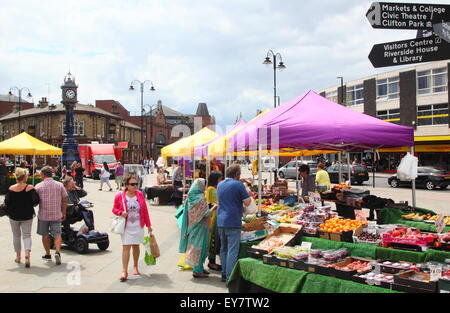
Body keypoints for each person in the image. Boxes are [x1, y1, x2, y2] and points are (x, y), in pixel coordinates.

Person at [112, 175, 152, 282]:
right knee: (126, 247)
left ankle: (135, 266)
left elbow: (145, 211)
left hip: (138, 225)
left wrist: (149, 225)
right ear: (127, 185)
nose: (135, 186)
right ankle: (124, 270)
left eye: (136, 184)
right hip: (126, 226)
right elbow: (114, 209)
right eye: (132, 184)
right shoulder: (120, 196)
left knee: (136, 246)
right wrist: (121, 212)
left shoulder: (140, 195)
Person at [217, 165, 252, 283]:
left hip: (221, 220)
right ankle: (229, 277)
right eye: (240, 173)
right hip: (233, 220)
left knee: (224, 249)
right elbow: (247, 203)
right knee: (232, 250)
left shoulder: (220, 184)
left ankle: (223, 273)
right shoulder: (238, 184)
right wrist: (249, 195)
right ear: (237, 173)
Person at [4, 168, 40, 268]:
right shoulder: (30, 187)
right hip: (27, 215)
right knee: (27, 235)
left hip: (14, 215)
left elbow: (6, 202)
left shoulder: (11, 188)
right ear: (25, 176)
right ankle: (27, 254)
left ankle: (18, 256)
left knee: (16, 236)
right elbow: (36, 201)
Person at [178, 178, 213, 278]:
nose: (205, 187)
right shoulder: (200, 198)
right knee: (200, 247)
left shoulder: (191, 197)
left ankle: (199, 268)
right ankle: (197, 271)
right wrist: (214, 208)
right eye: (204, 185)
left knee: (196, 247)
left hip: (193, 227)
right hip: (200, 227)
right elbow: (205, 213)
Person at [35, 166, 68, 265]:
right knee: (57, 234)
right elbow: (65, 198)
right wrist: (64, 211)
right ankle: (57, 252)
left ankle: (48, 253)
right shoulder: (59, 185)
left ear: (43, 175)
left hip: (43, 215)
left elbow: (34, 201)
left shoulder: (38, 186)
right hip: (56, 214)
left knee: (45, 235)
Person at [206, 171, 223, 272]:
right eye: (220, 179)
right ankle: (211, 262)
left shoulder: (210, 189)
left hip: (213, 216)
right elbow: (218, 202)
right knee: (213, 239)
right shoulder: (212, 190)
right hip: (214, 216)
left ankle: (212, 261)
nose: (221, 180)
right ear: (216, 179)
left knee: (213, 239)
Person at [62, 176, 87, 241]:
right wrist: (70, 205)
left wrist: (77, 187)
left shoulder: (73, 191)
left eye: (73, 183)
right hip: (65, 213)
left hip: (74, 212)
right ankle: (70, 236)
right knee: (65, 219)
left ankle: (90, 228)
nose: (73, 184)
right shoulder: (63, 191)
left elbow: (84, 193)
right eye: (72, 183)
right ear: (67, 184)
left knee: (87, 212)